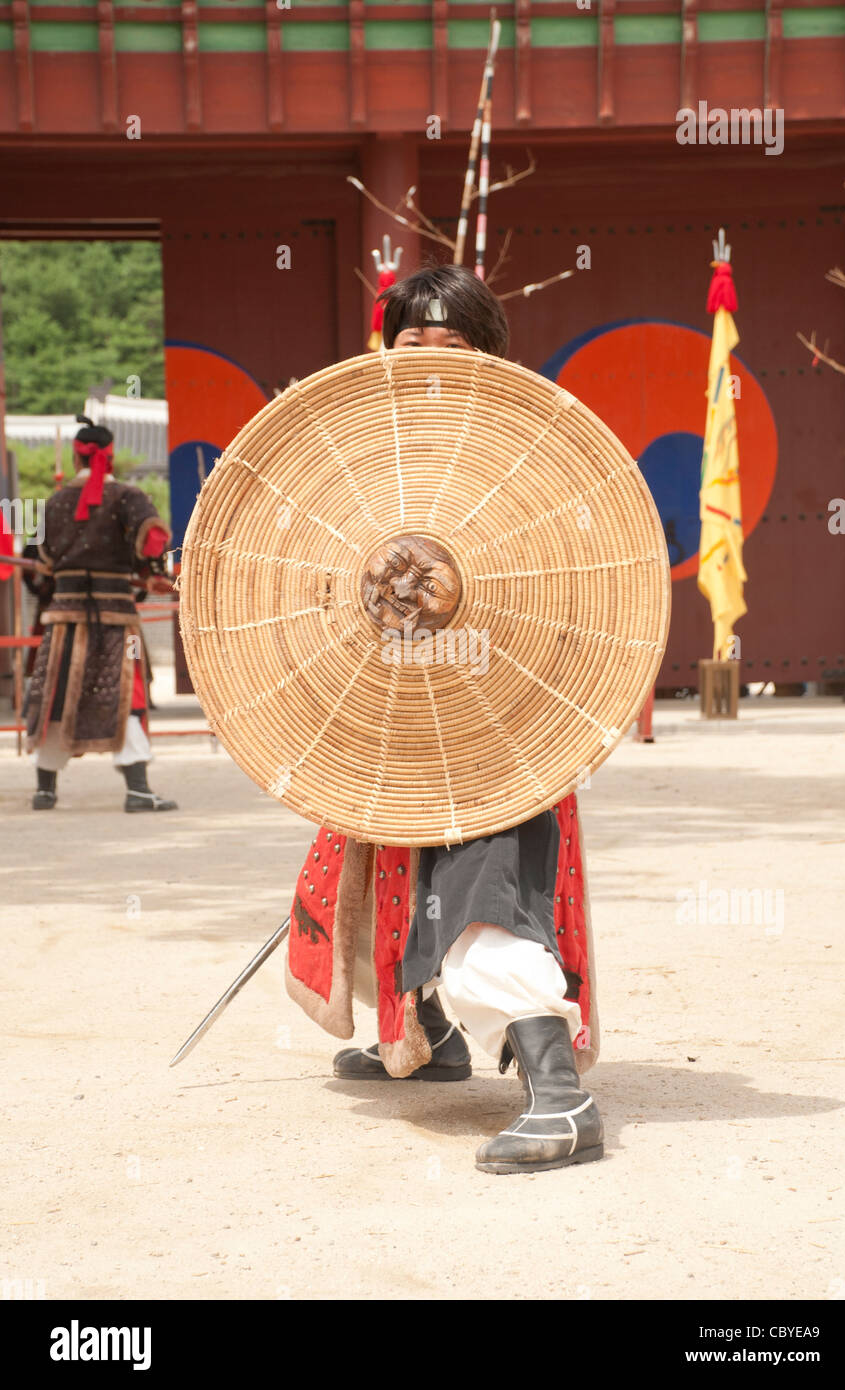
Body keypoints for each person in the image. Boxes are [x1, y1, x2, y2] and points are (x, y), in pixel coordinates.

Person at [284, 266, 604, 1175]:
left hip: (501, 709)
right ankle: (430, 1036)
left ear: (490, 358)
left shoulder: (531, 451)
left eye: (453, 345)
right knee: (391, 863)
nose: (427, 360)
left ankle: (562, 1098)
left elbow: (584, 576)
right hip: (397, 699)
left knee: (482, 882)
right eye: (409, 343)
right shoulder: (359, 454)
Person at [25, 416, 178, 813]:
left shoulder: (55, 502)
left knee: (59, 695)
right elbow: (154, 539)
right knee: (127, 693)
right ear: (109, 458)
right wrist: (152, 573)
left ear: (77, 458)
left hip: (63, 621)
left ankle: (45, 790)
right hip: (120, 622)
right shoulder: (130, 497)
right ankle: (138, 789)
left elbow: (39, 562)